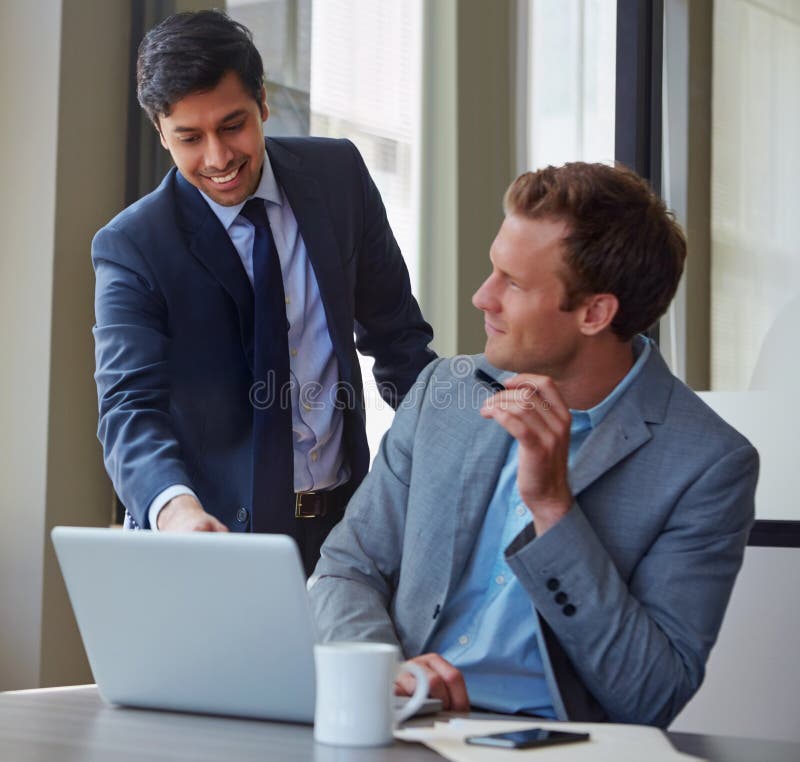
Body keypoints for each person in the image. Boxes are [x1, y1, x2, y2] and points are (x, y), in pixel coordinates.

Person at [308, 162, 758, 726]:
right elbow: (346, 568)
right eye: (493, 270)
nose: (482, 297)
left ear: (595, 312)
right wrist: (381, 670)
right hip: (402, 723)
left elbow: (652, 695)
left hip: (555, 742)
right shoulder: (443, 393)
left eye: (513, 283)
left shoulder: (708, 465)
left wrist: (553, 508)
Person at [92, 10, 435, 574]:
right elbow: (131, 407)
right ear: (160, 131)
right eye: (189, 138)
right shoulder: (133, 247)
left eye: (233, 126)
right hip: (213, 538)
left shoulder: (339, 177)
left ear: (262, 103)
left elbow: (399, 341)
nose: (219, 158)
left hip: (347, 527)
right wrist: (175, 510)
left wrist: (449, 459)